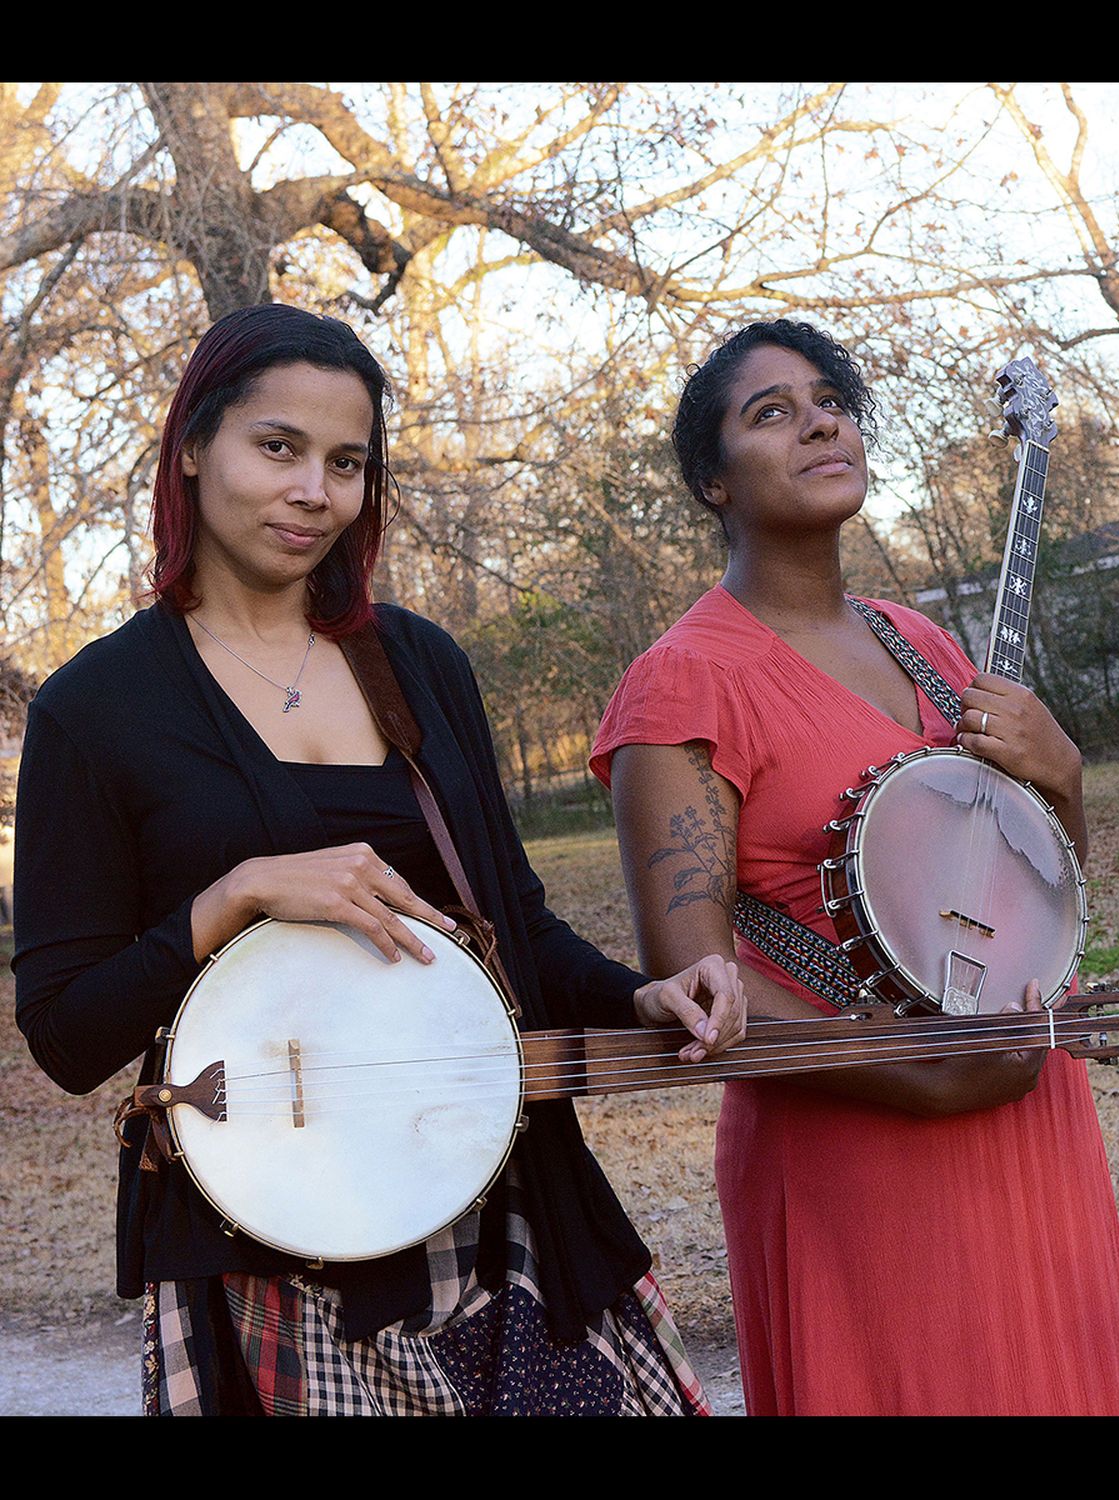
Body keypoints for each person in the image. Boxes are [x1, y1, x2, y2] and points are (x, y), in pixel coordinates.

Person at [10, 303, 746, 1416]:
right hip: (269, 1247)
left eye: (346, 462)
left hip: (499, 1211)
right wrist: (236, 895)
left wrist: (641, 992)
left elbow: (514, 928)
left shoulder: (416, 664)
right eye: (279, 448)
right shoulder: (95, 709)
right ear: (194, 446)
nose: (315, 490)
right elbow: (66, 1034)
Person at [591, 318, 1119, 1415]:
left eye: (829, 400)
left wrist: (1065, 776)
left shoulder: (927, 643)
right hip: (860, 1147)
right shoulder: (681, 684)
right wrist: (930, 1073)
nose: (818, 419)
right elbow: (695, 978)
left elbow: (1033, 894)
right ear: (712, 481)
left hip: (1024, 1108)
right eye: (771, 412)